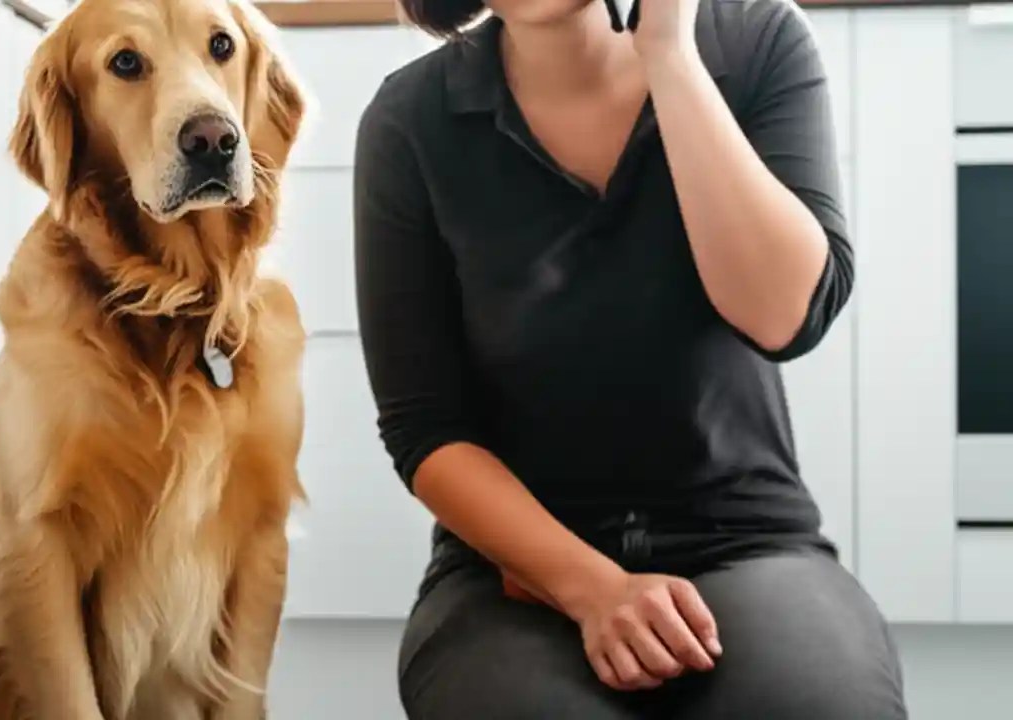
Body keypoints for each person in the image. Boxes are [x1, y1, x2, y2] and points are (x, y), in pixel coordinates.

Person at [351, 0, 906, 717]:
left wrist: (671, 55)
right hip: (514, 571)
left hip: (747, 541)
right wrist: (594, 588)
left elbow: (783, 318)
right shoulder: (409, 118)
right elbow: (426, 431)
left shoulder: (758, 42)